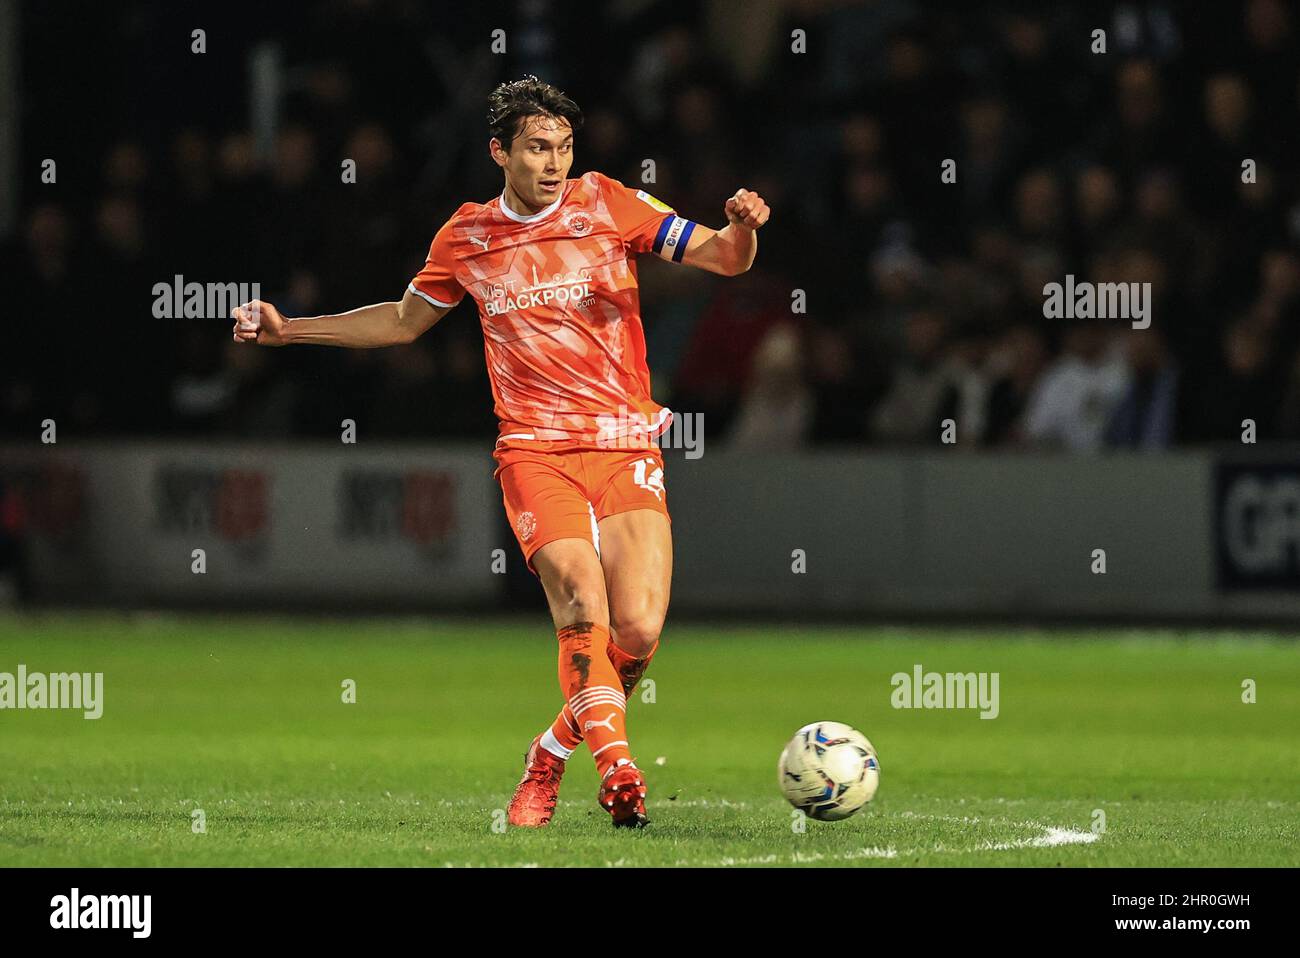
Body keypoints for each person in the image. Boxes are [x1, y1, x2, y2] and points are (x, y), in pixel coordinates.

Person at [230, 76, 770, 828]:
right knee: (584, 603)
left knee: (639, 629)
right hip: (534, 450)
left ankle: (549, 754)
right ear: (500, 151)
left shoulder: (607, 203)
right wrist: (291, 330)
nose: (555, 163)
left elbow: (723, 260)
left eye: (565, 147)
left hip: (622, 441)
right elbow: (401, 321)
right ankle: (618, 771)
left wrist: (742, 228)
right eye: (539, 147)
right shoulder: (468, 238)